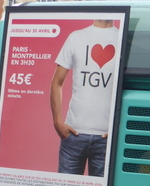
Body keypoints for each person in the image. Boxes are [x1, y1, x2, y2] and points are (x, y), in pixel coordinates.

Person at [50, 19, 120, 176]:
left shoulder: (122, 39)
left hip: (107, 137)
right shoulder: (76, 37)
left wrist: (119, 128)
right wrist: (57, 123)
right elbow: (57, 82)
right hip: (74, 133)